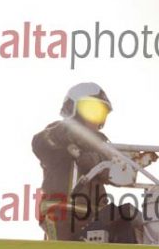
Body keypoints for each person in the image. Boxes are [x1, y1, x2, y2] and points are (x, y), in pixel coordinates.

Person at [32, 83, 114, 240]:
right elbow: (40, 143)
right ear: (73, 109)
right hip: (61, 215)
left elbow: (111, 171)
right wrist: (70, 135)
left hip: (96, 220)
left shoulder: (104, 147)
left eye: (101, 114)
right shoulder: (56, 135)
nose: (96, 118)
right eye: (92, 111)